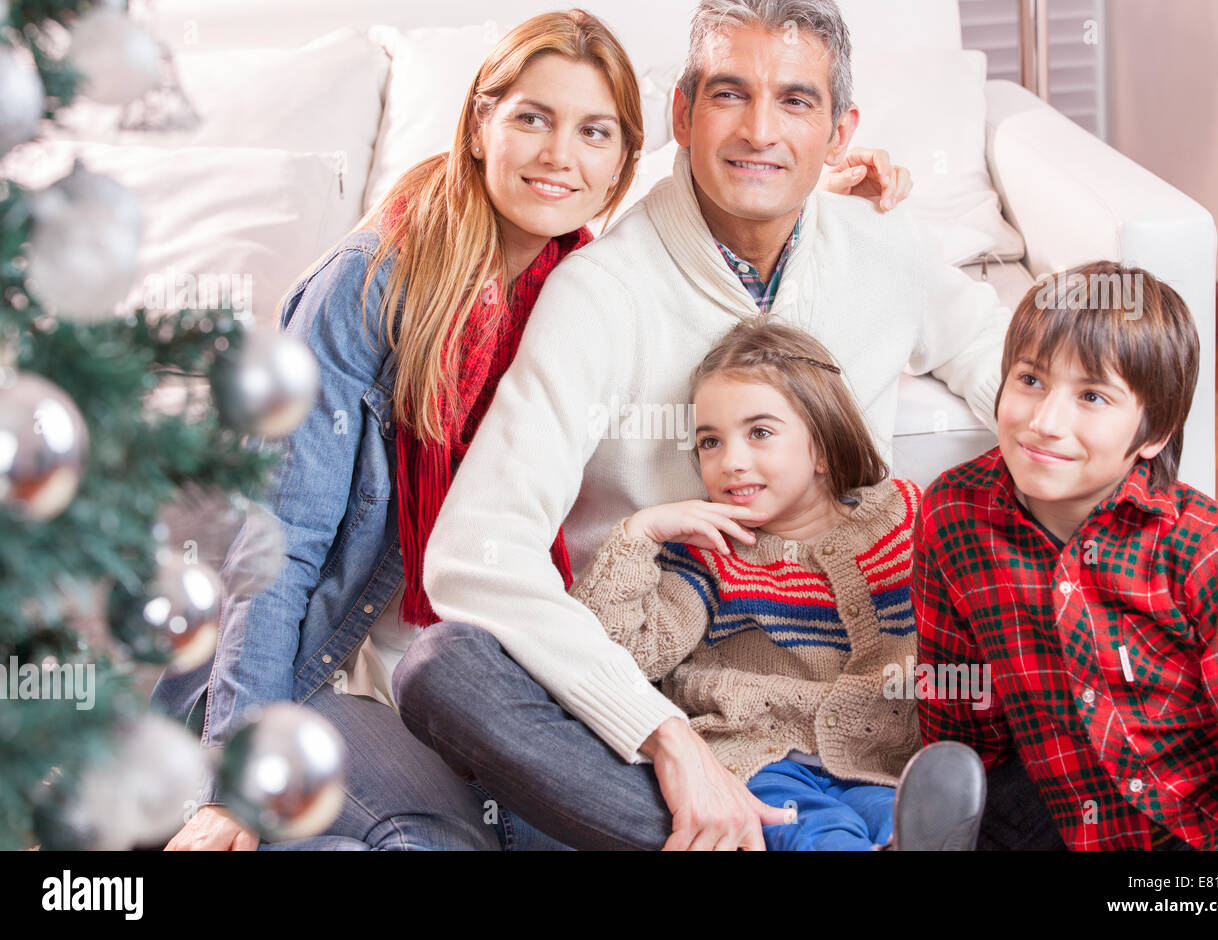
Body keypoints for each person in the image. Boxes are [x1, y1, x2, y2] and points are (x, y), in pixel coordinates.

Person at [153, 8, 911, 851]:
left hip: (508, 664)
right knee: (442, 831)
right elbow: (278, 545)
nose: (561, 157)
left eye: (593, 132)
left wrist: (804, 192)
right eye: (531, 119)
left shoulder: (576, 277)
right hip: (350, 668)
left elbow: (714, 222)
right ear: (481, 124)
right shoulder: (366, 287)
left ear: (623, 162)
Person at [394, 0, 1010, 851]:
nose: (759, 130)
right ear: (681, 114)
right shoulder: (601, 294)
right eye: (729, 95)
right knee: (441, 671)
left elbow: (995, 356)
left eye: (796, 102)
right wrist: (664, 736)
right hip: (657, 704)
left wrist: (1099, 472)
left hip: (860, 713)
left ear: (840, 132)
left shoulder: (881, 243)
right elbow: (473, 552)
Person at [913, 260, 1218, 850]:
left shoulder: (1214, 551)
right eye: (1030, 380)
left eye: (1092, 395)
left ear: (1155, 432)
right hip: (1056, 813)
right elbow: (959, 724)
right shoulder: (952, 516)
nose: (1044, 423)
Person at [569, 319, 985, 850]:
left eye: (759, 433)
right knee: (818, 833)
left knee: (893, 817)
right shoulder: (710, 553)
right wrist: (637, 533)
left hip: (879, 762)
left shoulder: (905, 517)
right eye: (710, 442)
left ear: (823, 449)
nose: (731, 461)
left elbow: (969, 613)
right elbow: (623, 657)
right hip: (761, 758)